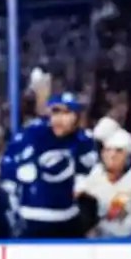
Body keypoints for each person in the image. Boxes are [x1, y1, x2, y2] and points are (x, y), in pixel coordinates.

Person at [5, 92, 98, 238]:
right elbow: (9, 171)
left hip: (68, 220)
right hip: (31, 220)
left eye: (67, 112)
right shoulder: (32, 134)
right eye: (56, 111)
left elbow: (89, 175)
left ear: (77, 116)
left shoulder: (84, 140)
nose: (60, 118)